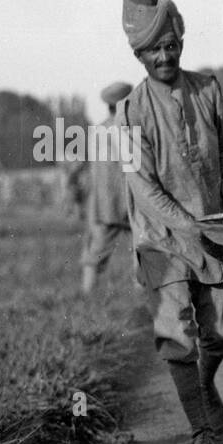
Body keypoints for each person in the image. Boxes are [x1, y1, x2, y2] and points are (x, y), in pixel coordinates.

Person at [118, 0, 223, 444]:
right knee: (178, 334)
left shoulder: (209, 90)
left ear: (181, 43)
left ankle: (203, 387)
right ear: (140, 57)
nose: (166, 58)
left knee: (220, 336)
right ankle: (202, 433)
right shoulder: (131, 112)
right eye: (156, 51)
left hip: (215, 232)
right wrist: (186, 224)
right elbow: (143, 188)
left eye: (171, 47)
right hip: (162, 240)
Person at [77, 81, 135, 295]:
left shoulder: (97, 131)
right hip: (132, 202)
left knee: (95, 254)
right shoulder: (132, 129)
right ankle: (143, 299)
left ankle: (87, 296)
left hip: (104, 204)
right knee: (143, 252)